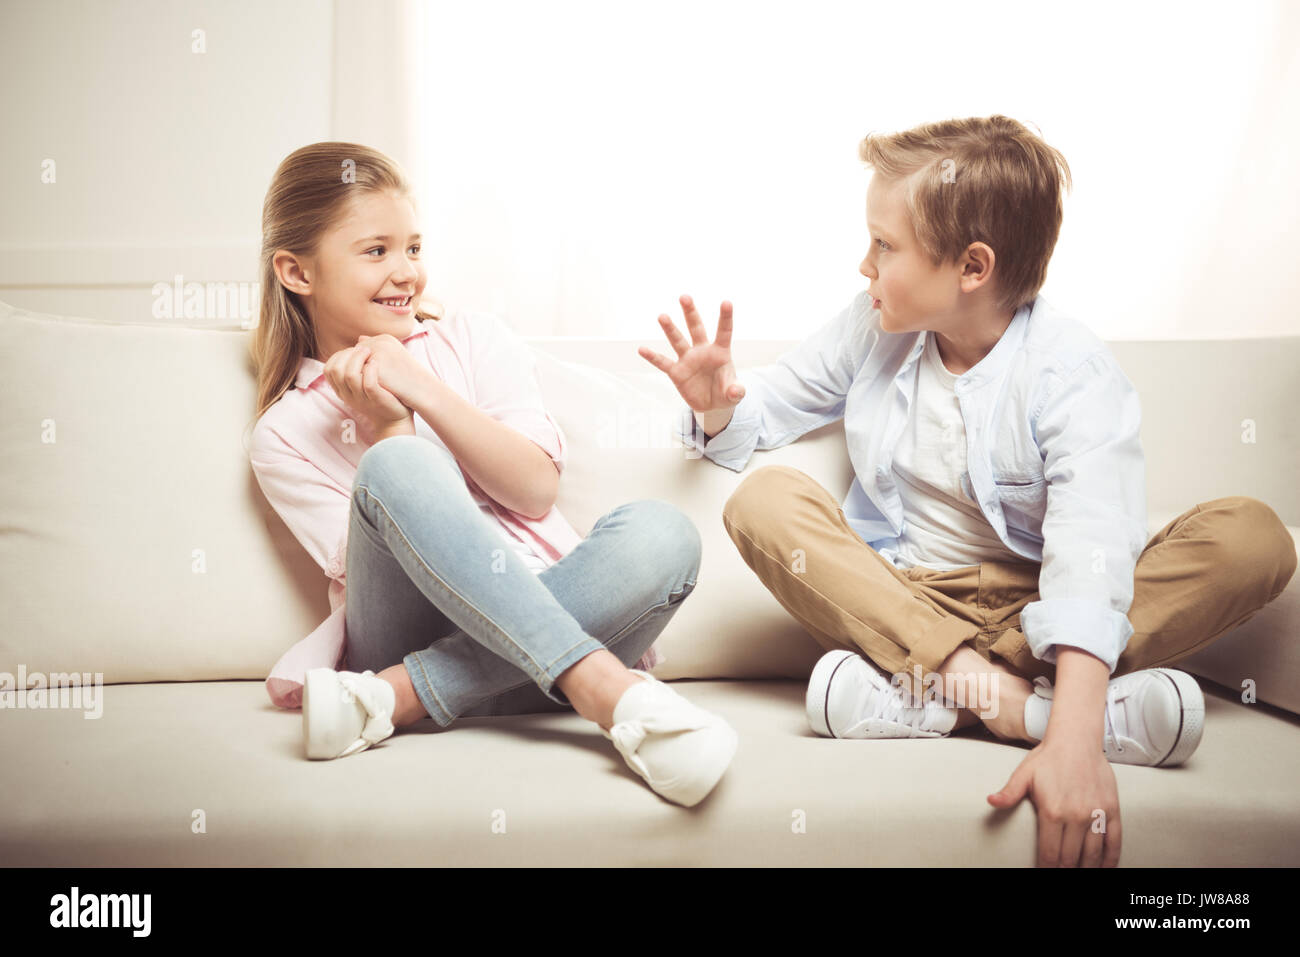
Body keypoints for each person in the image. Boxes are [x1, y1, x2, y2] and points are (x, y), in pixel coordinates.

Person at [638, 114, 1297, 863]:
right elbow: (765, 413)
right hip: (910, 604)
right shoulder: (876, 324)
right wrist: (717, 403)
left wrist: (1074, 749)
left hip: (1038, 615)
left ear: (972, 268)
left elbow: (1091, 551)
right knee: (763, 503)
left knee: (1255, 536)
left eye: (884, 245)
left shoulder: (1069, 370)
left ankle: (944, 700)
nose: (864, 263)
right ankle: (1015, 705)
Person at [244, 142, 737, 808]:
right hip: (412, 630)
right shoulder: (282, 434)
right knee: (395, 462)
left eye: (414, 249)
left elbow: (534, 489)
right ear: (295, 271)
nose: (405, 273)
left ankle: (403, 697)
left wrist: (420, 389)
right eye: (375, 251)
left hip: (536, 618)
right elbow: (374, 559)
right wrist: (388, 430)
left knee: (666, 532)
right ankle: (599, 684)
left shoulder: (473, 339)